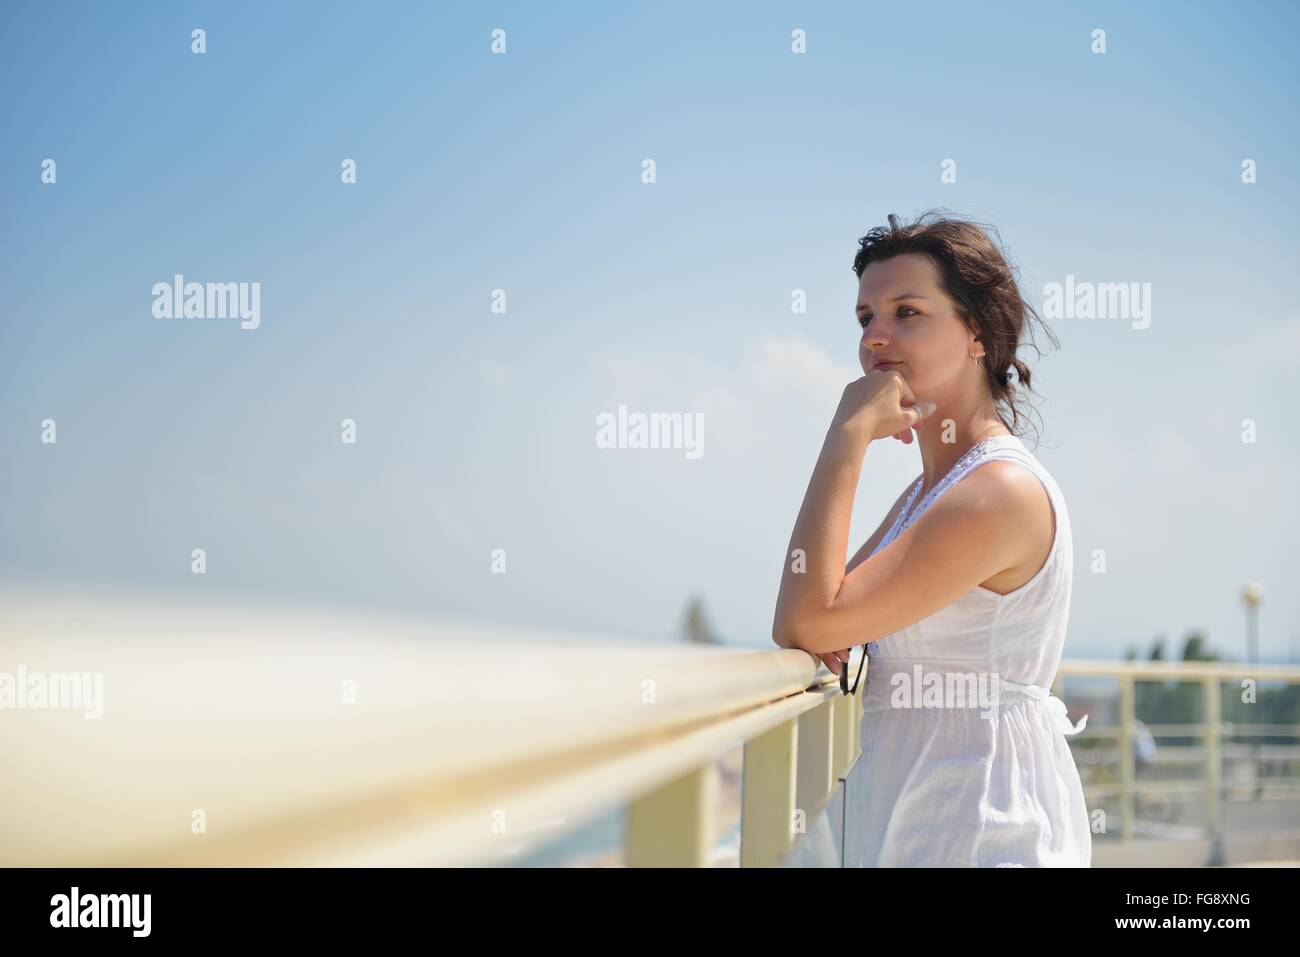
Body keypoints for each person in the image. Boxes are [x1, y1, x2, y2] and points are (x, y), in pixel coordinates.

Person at [771, 210, 1091, 867]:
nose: (875, 338)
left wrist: (848, 432)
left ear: (975, 330)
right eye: (865, 318)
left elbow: (806, 616)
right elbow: (816, 619)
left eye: (907, 311)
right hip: (919, 812)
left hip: (978, 825)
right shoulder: (926, 497)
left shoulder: (998, 492)